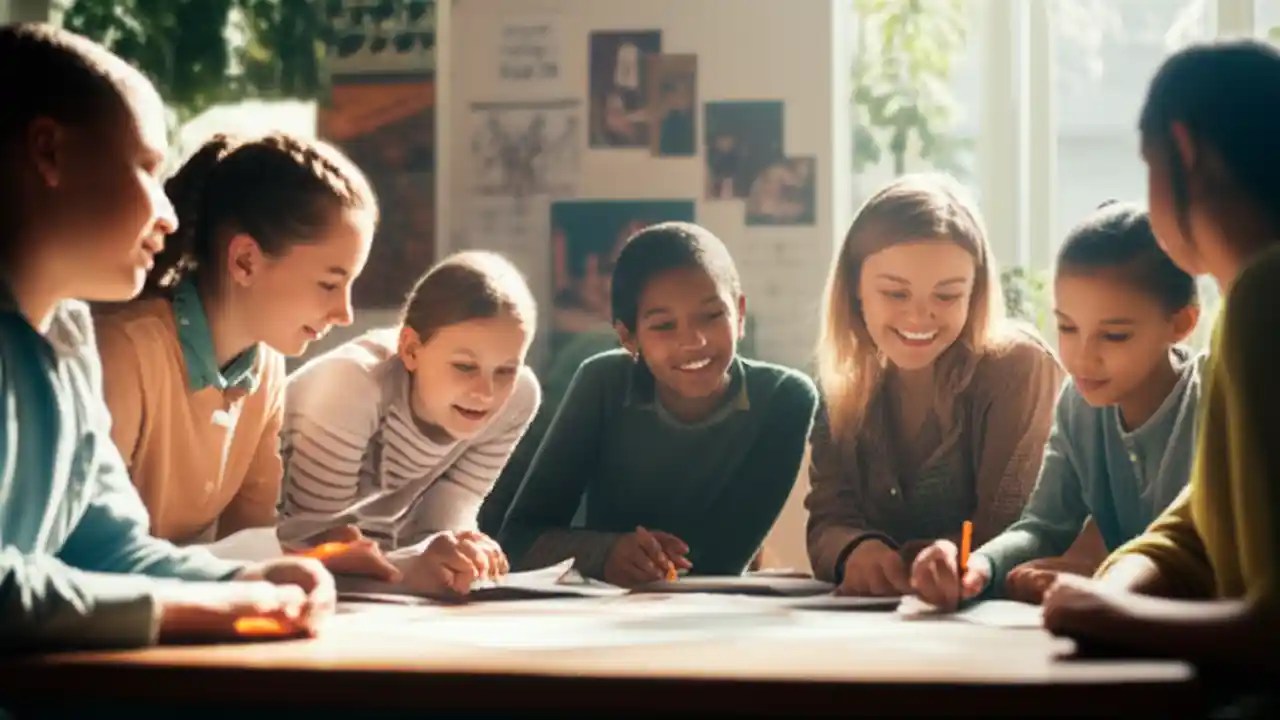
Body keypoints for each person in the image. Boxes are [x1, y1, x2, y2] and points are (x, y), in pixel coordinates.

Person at [0, 23, 331, 648]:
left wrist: (248, 578)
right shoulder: (109, 343)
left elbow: (107, 547)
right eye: (148, 171)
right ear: (50, 153)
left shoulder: (67, 337)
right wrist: (202, 610)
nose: (170, 214)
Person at [1041, 40, 1280, 674]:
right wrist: (1105, 593)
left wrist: (1116, 616)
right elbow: (1198, 525)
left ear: (1182, 151)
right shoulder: (1240, 306)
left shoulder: (1266, 298)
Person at [911, 201, 1202, 608]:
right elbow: (1044, 526)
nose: (1082, 357)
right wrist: (979, 567)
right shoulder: (1079, 403)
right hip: (1118, 619)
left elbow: (1210, 555)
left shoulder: (1214, 403)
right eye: (1067, 327)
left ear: (1181, 325)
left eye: (1114, 336)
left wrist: (1097, 578)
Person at [500, 222, 818, 586]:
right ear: (628, 337)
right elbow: (518, 540)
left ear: (740, 313)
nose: (693, 341)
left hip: (712, 615)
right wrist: (606, 553)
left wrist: (614, 555)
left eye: (712, 315)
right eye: (664, 326)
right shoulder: (604, 383)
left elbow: (721, 560)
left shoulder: (785, 398)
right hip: (602, 614)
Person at [806, 173, 1063, 597]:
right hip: (887, 629)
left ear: (974, 293)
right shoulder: (843, 378)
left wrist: (951, 560)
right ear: (855, 288)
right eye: (895, 293)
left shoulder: (1018, 367)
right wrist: (857, 551)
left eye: (946, 296)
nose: (919, 318)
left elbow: (1018, 526)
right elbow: (828, 518)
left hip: (993, 617)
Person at [280, 251, 539, 597]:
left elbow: (438, 527)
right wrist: (410, 570)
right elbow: (316, 546)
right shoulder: (351, 384)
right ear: (411, 349)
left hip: (357, 568)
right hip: (249, 556)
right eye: (464, 366)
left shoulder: (518, 398)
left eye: (506, 370)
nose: (486, 393)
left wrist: (461, 552)